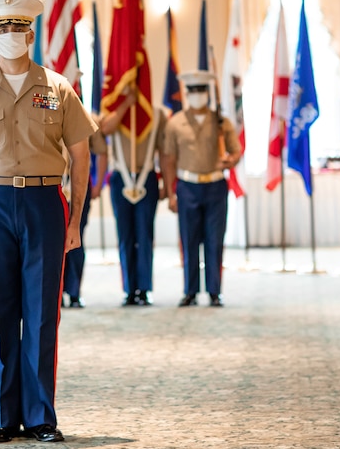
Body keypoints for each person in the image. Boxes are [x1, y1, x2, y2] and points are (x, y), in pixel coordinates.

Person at [0, 0, 96, 444]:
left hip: (46, 203)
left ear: (32, 35)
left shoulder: (58, 89)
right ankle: (5, 415)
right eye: (2, 29)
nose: (10, 37)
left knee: (43, 312)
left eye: (18, 29)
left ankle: (41, 415)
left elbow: (81, 157)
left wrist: (75, 219)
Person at [161, 70, 241, 308]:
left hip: (215, 185)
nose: (198, 96)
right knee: (189, 240)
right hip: (187, 187)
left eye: (201, 91)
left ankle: (215, 291)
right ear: (187, 94)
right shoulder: (176, 123)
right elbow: (168, 159)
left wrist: (231, 160)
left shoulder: (221, 121)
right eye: (193, 92)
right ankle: (190, 290)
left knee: (214, 240)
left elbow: (235, 150)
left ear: (207, 94)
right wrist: (170, 191)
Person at [100, 85, 166, 306]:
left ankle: (144, 288)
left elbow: (164, 153)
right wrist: (125, 106)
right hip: (121, 178)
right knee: (125, 236)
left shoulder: (155, 115)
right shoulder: (112, 113)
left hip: (146, 177)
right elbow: (106, 129)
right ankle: (129, 288)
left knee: (145, 235)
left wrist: (167, 182)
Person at [62, 121, 108, 308]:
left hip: (79, 184)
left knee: (75, 238)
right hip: (52, 182)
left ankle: (74, 292)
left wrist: (99, 184)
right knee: (51, 243)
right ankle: (57, 292)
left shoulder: (87, 119)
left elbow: (101, 151)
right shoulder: (42, 109)